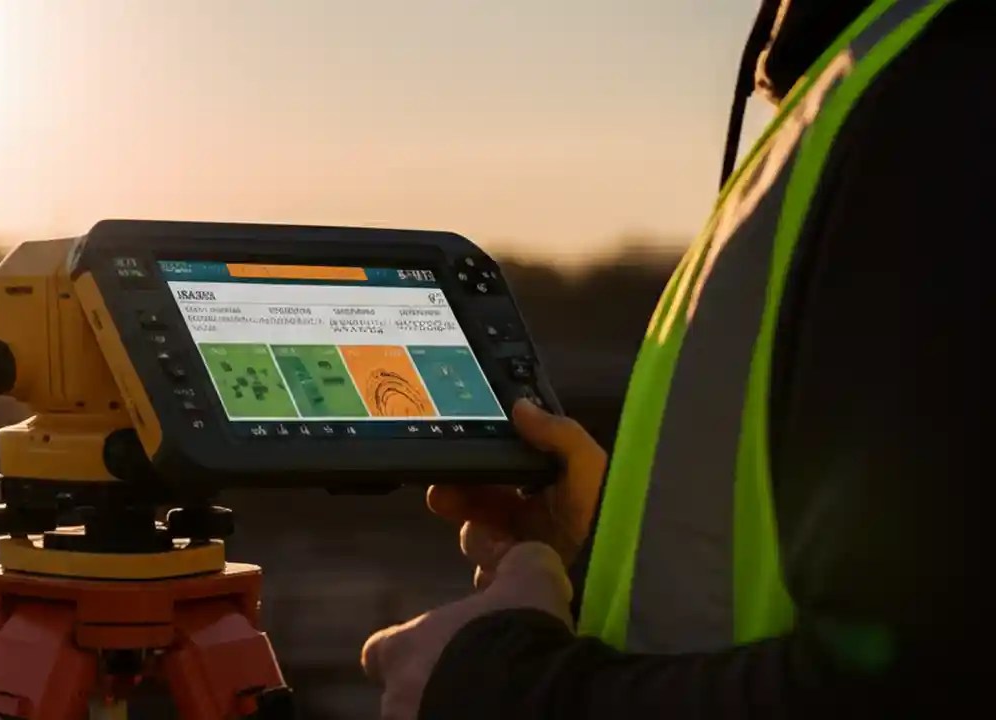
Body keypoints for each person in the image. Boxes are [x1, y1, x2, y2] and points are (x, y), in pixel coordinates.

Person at [362, 0, 988, 716]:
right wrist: (612, 551)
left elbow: (922, 685)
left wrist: (493, 692)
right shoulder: (873, 80)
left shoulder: (944, 84)